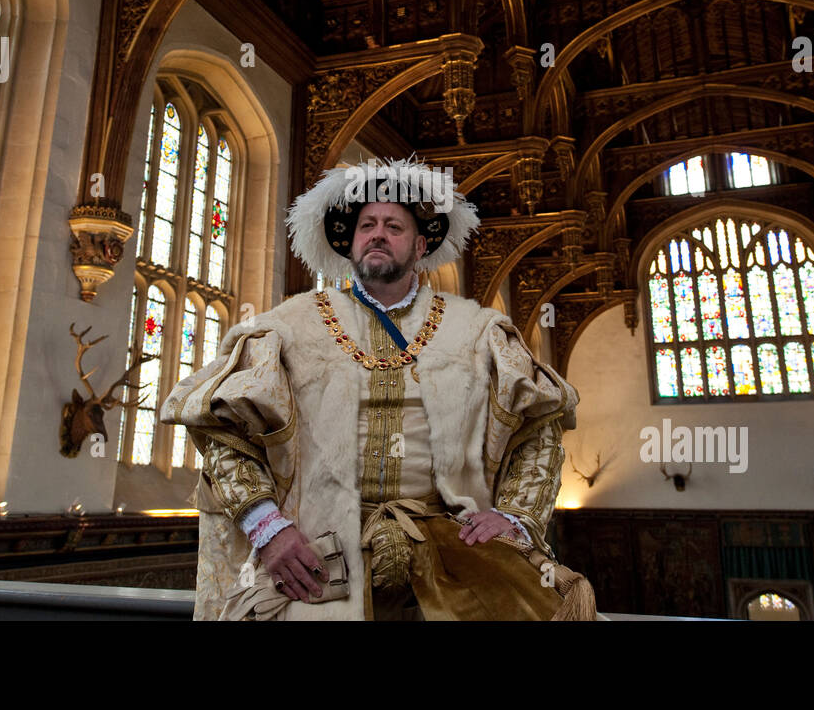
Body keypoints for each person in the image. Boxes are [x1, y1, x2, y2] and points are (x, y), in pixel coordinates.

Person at [160, 156, 593, 620]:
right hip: (315, 554)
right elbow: (224, 433)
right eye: (367, 225)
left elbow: (540, 426)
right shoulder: (287, 327)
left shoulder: (478, 330)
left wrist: (513, 517)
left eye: (394, 226)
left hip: (454, 550)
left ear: (421, 244)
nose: (377, 234)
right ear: (350, 244)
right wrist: (270, 530)